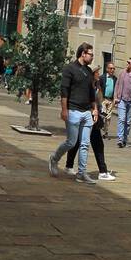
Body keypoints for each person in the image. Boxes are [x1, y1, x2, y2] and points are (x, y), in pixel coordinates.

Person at [48, 43, 98, 184]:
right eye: (91, 54)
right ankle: (54, 158)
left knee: (85, 144)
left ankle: (81, 173)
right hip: (73, 110)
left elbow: (91, 93)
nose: (92, 57)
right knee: (71, 142)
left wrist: (94, 109)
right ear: (83, 54)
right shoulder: (69, 69)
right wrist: (64, 110)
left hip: (86, 112)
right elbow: (64, 91)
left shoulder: (89, 71)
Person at [67, 67, 115, 181]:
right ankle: (102, 172)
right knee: (95, 145)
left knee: (79, 142)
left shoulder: (97, 86)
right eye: (97, 72)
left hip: (94, 119)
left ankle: (69, 166)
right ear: (92, 74)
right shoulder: (88, 87)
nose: (99, 74)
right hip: (88, 118)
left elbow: (99, 101)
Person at [114, 53, 131, 148]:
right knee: (121, 119)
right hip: (122, 100)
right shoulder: (122, 73)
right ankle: (120, 139)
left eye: (129, 63)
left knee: (128, 122)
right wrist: (115, 97)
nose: (127, 64)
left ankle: (125, 139)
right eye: (127, 62)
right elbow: (117, 85)